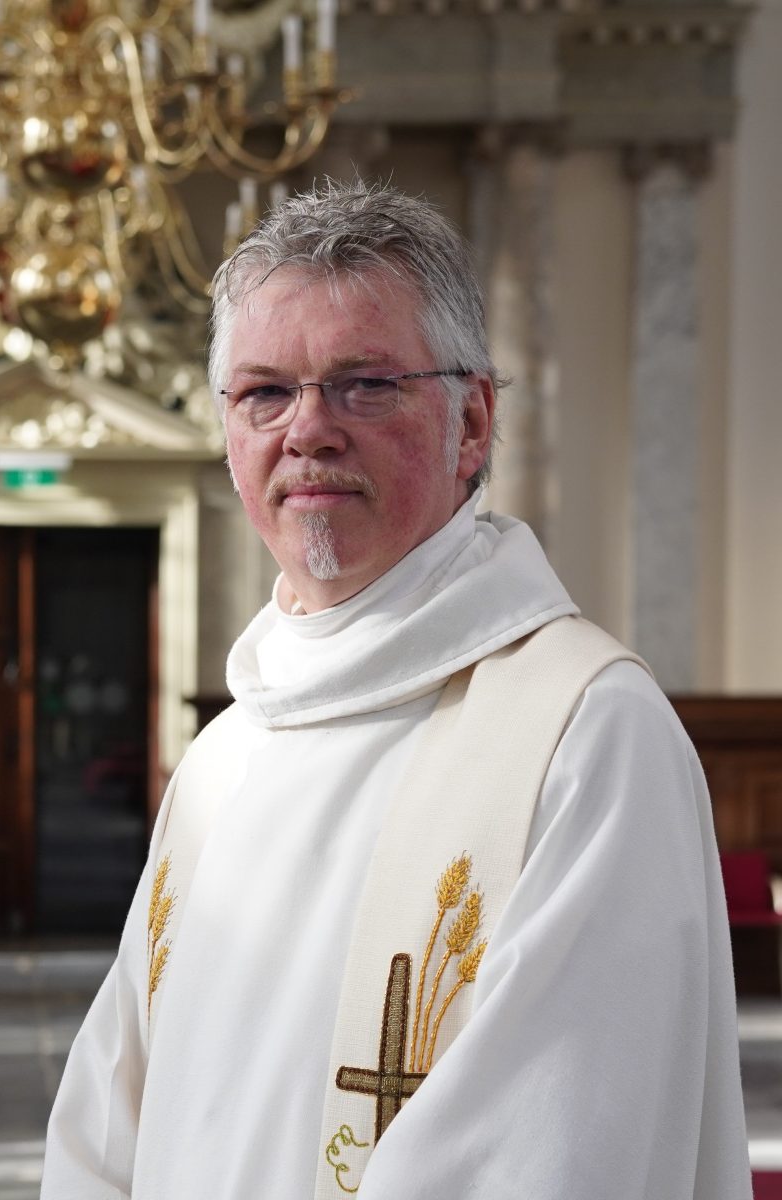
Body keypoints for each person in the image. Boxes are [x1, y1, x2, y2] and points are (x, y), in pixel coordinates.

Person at [41, 179, 751, 1199]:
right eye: (264, 393)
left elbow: (549, 1157)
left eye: (364, 385)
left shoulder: (587, 733)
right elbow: (108, 1125)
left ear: (473, 424)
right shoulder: (226, 756)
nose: (309, 430)